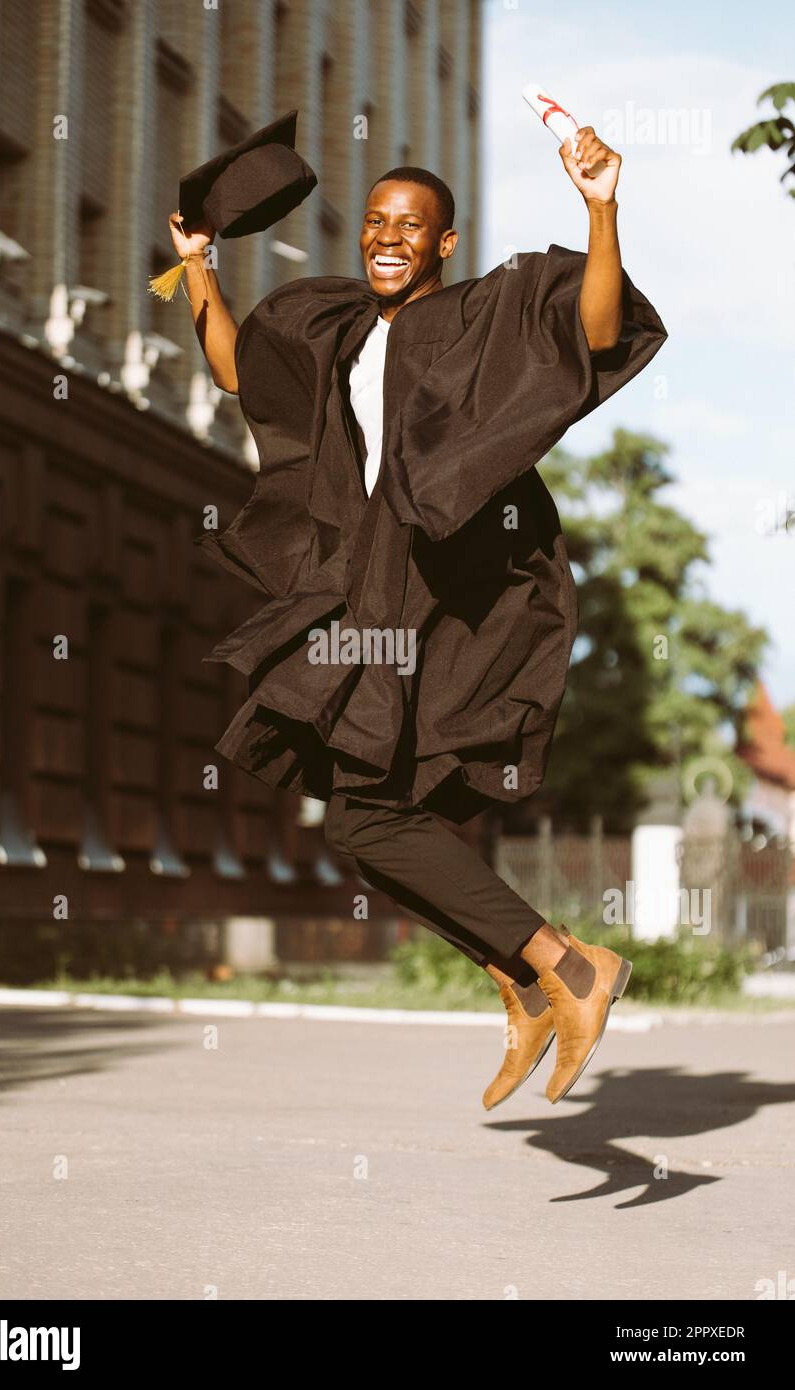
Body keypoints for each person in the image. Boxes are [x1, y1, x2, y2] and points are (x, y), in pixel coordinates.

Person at [168, 125, 666, 1109]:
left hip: (460, 589)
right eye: (373, 223)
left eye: (410, 226)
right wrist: (197, 269)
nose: (386, 238)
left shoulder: (486, 311)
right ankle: (528, 977)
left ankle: (565, 970)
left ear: (444, 241)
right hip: (370, 583)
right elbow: (237, 372)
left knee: (367, 811)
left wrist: (600, 206)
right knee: (361, 821)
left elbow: (597, 332)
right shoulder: (336, 324)